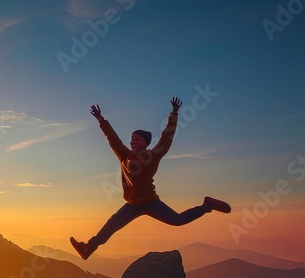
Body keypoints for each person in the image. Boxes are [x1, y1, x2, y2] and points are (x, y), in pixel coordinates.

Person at [70, 97, 231, 260]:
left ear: (146, 143)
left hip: (151, 202)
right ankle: (88, 248)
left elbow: (166, 138)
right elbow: (113, 140)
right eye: (132, 139)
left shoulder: (153, 155)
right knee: (111, 226)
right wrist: (101, 119)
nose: (133, 142)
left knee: (178, 220)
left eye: (137, 139)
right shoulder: (125, 155)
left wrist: (174, 114)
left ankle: (207, 205)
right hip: (132, 204)